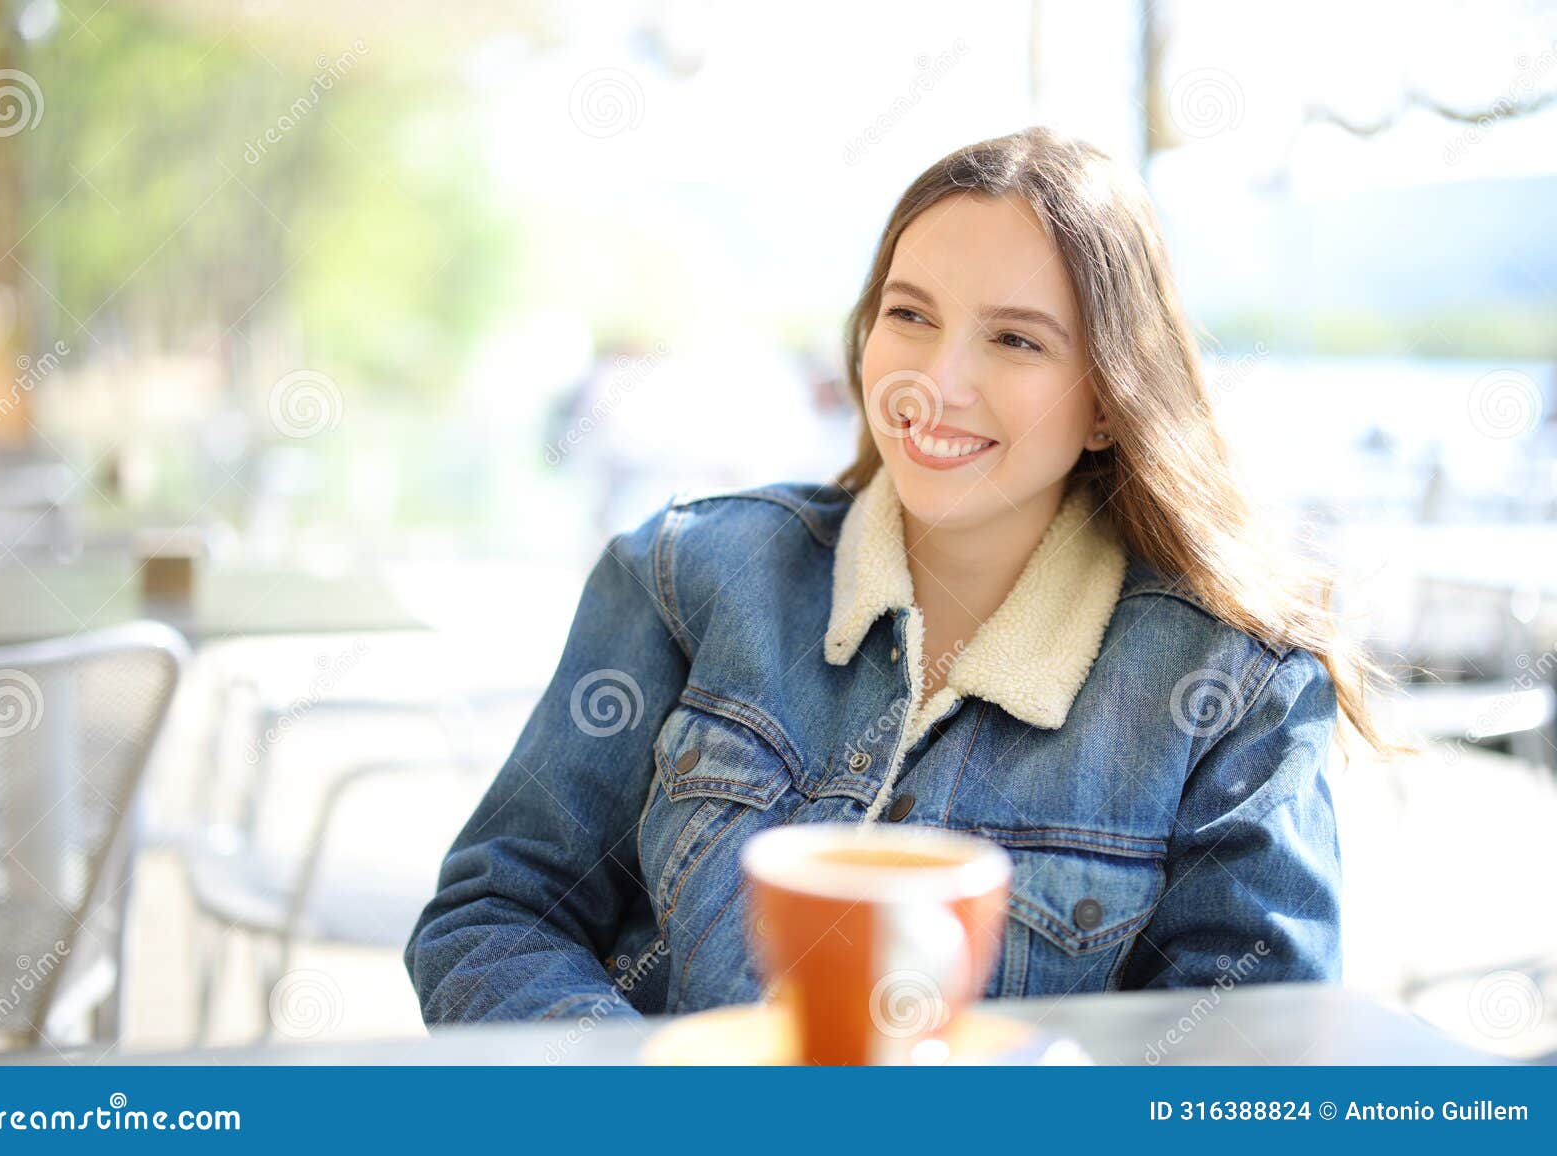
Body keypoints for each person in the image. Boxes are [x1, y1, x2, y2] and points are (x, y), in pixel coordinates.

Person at [405, 126, 1401, 1027]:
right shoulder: (684, 575)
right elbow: (494, 914)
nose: (936, 380)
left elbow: (1252, 1053)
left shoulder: (1238, 684)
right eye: (910, 315)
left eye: (1014, 339)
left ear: (1108, 399)